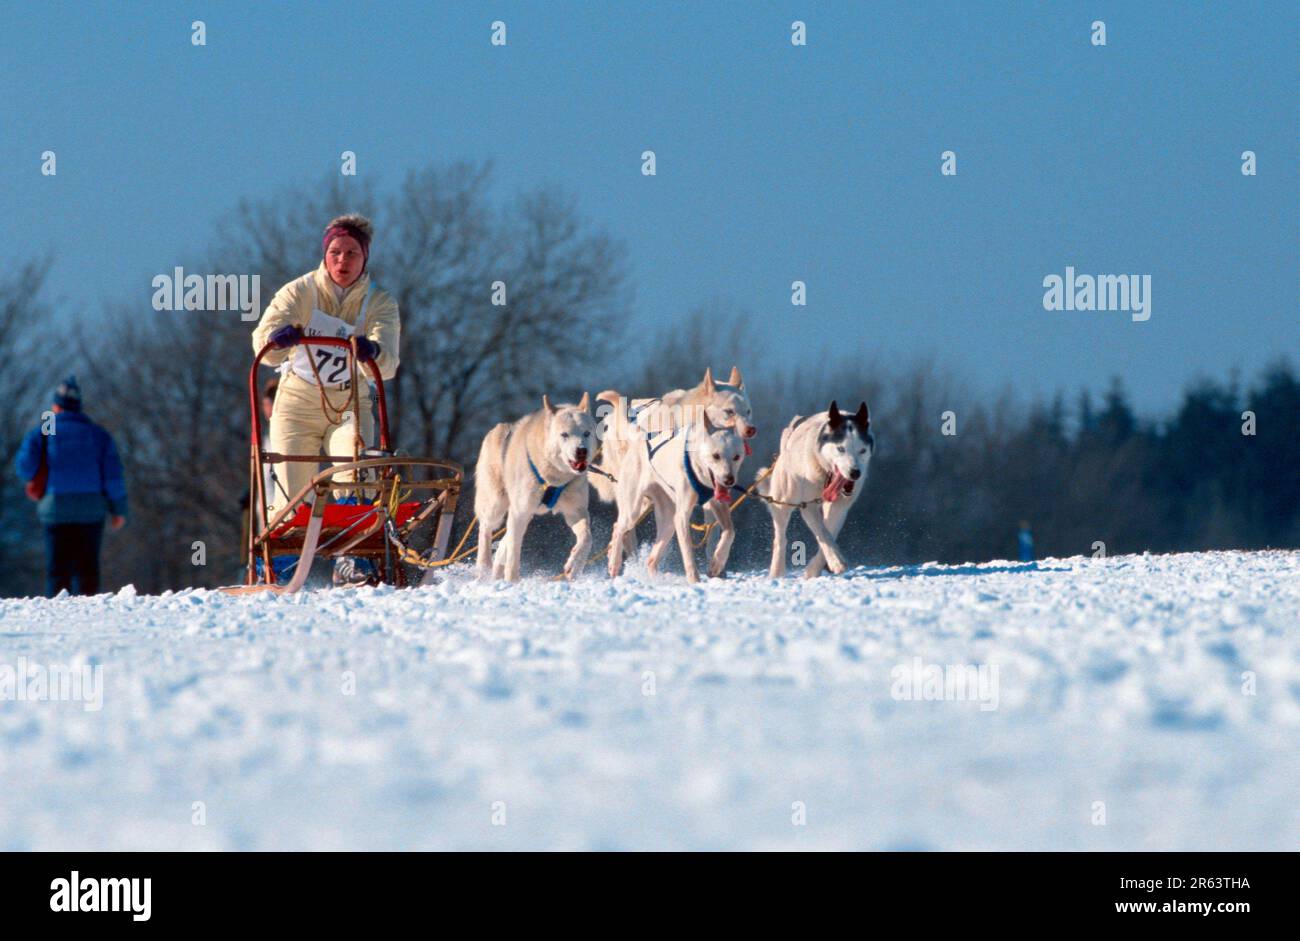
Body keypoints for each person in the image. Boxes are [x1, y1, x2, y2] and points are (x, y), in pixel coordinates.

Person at [251, 214, 400, 519]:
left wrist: (373, 350)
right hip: (297, 401)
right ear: (325, 256)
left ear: (364, 258)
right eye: (335, 253)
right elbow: (263, 348)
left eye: (351, 253)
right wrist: (278, 339)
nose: (342, 260)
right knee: (289, 493)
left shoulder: (380, 303)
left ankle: (357, 559)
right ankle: (284, 563)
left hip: (349, 405)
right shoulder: (299, 291)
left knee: (357, 473)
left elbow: (387, 365)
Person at [14, 376, 128, 597]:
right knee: (88, 570)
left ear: (56, 406)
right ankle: (90, 619)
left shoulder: (45, 432)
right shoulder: (99, 435)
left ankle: (57, 618)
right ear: (79, 406)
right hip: (91, 510)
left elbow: (25, 468)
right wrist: (118, 510)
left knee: (57, 570)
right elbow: (113, 477)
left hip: (55, 509)